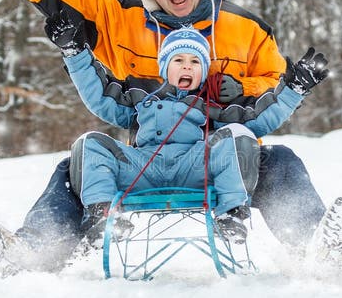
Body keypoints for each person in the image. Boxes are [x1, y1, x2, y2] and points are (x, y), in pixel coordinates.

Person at [0, 0, 342, 274]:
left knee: (281, 160)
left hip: (221, 158)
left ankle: (313, 246)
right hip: (147, 160)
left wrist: (240, 89)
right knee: (76, 167)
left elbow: (274, 84)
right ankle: (35, 250)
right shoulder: (122, 19)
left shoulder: (247, 28)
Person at [65, 26, 312, 248]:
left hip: (194, 169)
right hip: (142, 169)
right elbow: (101, 95)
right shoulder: (139, 94)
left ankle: (231, 214)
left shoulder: (210, 103)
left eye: (195, 62)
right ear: (164, 67)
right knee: (90, 142)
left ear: (202, 71)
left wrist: (293, 90)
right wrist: (75, 54)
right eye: (178, 60)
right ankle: (103, 216)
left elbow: (258, 118)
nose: (186, 66)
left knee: (236, 133)